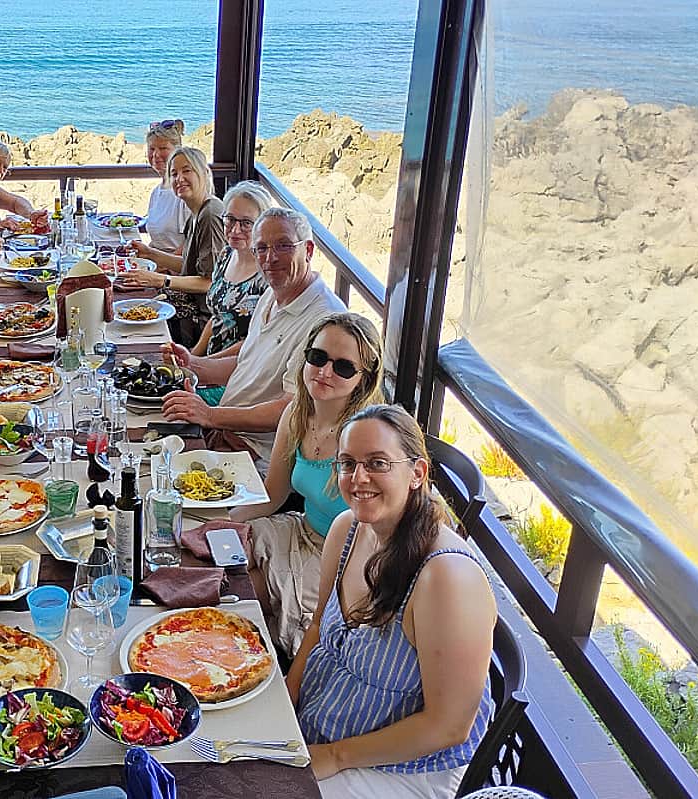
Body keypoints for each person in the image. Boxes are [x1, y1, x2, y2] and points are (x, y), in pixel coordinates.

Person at [287, 405, 496, 796]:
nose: (358, 478)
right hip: (324, 732)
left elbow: (449, 726)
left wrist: (334, 755)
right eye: (347, 463)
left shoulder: (446, 578)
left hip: (405, 769)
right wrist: (286, 698)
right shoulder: (347, 529)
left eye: (377, 463)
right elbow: (317, 628)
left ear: (417, 473)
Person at [230, 312, 384, 655]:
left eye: (344, 367)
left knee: (244, 600)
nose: (325, 372)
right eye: (318, 358)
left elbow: (386, 533)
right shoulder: (297, 413)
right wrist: (227, 519)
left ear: (364, 379)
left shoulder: (366, 437)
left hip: (345, 559)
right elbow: (273, 494)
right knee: (226, 570)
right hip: (301, 531)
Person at [159, 207, 346, 464]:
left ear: (309, 250)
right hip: (226, 430)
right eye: (262, 248)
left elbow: (289, 409)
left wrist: (211, 415)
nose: (270, 258)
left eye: (283, 246)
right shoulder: (273, 292)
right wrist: (193, 365)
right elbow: (246, 362)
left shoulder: (324, 322)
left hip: (255, 453)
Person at [121, 146, 226, 346]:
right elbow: (190, 266)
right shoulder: (196, 214)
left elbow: (210, 282)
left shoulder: (211, 215)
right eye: (174, 173)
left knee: (132, 322)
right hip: (190, 304)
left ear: (204, 173)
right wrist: (151, 254)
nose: (179, 179)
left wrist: (162, 280)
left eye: (187, 171)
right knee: (126, 304)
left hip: (202, 318)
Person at [193, 180, 274, 360]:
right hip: (209, 361)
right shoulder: (226, 254)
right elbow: (217, 317)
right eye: (230, 219)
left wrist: (200, 364)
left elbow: (253, 342)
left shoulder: (269, 276)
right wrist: (192, 355)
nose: (235, 230)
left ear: (262, 225)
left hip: (238, 370)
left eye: (246, 223)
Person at [140, 119, 191, 253]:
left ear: (177, 151)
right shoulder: (157, 192)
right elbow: (158, 242)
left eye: (163, 148)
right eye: (152, 149)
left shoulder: (185, 191)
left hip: (176, 268)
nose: (156, 155)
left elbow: (193, 241)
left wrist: (162, 265)